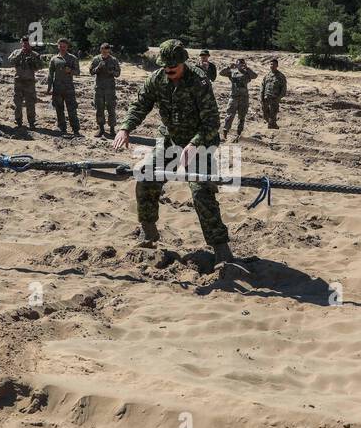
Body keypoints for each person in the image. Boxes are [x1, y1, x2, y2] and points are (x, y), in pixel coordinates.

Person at [114, 39, 234, 266]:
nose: (169, 71)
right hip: (169, 140)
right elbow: (140, 105)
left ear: (183, 63)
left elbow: (211, 122)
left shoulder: (199, 81)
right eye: (166, 67)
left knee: (201, 192)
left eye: (173, 68)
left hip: (201, 141)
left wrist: (194, 144)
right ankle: (149, 234)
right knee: (146, 177)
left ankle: (221, 249)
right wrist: (125, 128)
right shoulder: (156, 79)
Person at [8, 35, 44, 128]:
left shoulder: (35, 54)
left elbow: (40, 66)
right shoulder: (16, 52)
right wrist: (20, 55)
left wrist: (33, 61)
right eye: (24, 43)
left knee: (30, 103)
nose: (25, 45)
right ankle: (18, 121)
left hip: (29, 82)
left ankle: (31, 122)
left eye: (27, 43)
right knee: (18, 103)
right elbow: (10, 61)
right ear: (21, 43)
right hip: (18, 81)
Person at [46, 37, 81, 135]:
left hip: (69, 88)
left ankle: (75, 129)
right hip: (57, 88)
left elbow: (78, 72)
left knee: (72, 109)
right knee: (59, 109)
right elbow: (50, 74)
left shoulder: (72, 58)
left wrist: (70, 71)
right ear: (58, 46)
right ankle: (62, 128)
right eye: (60, 46)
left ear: (67, 47)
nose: (62, 48)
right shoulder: (54, 59)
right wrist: (49, 87)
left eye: (64, 46)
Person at [219, 58, 257, 139]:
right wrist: (229, 67)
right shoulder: (232, 72)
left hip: (244, 98)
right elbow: (221, 73)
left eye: (243, 63)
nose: (241, 64)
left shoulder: (247, 73)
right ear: (236, 64)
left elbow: (255, 76)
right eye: (239, 63)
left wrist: (247, 68)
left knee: (242, 116)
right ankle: (225, 131)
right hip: (234, 97)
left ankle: (239, 133)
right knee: (229, 115)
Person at [89, 42, 121, 137]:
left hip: (110, 89)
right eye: (103, 52)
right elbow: (91, 72)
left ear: (109, 51)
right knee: (99, 108)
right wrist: (98, 68)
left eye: (107, 52)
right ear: (100, 50)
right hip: (99, 88)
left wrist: (111, 71)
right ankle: (101, 129)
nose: (105, 54)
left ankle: (112, 129)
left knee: (111, 109)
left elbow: (118, 73)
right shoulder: (96, 59)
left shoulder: (114, 60)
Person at [260, 58, 287, 129]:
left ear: (277, 65)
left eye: (274, 64)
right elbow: (263, 86)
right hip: (266, 98)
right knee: (265, 113)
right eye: (271, 64)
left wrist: (278, 98)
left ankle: (271, 127)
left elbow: (284, 89)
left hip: (275, 98)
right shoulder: (267, 76)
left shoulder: (281, 76)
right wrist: (261, 97)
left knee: (273, 113)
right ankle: (272, 124)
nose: (272, 66)